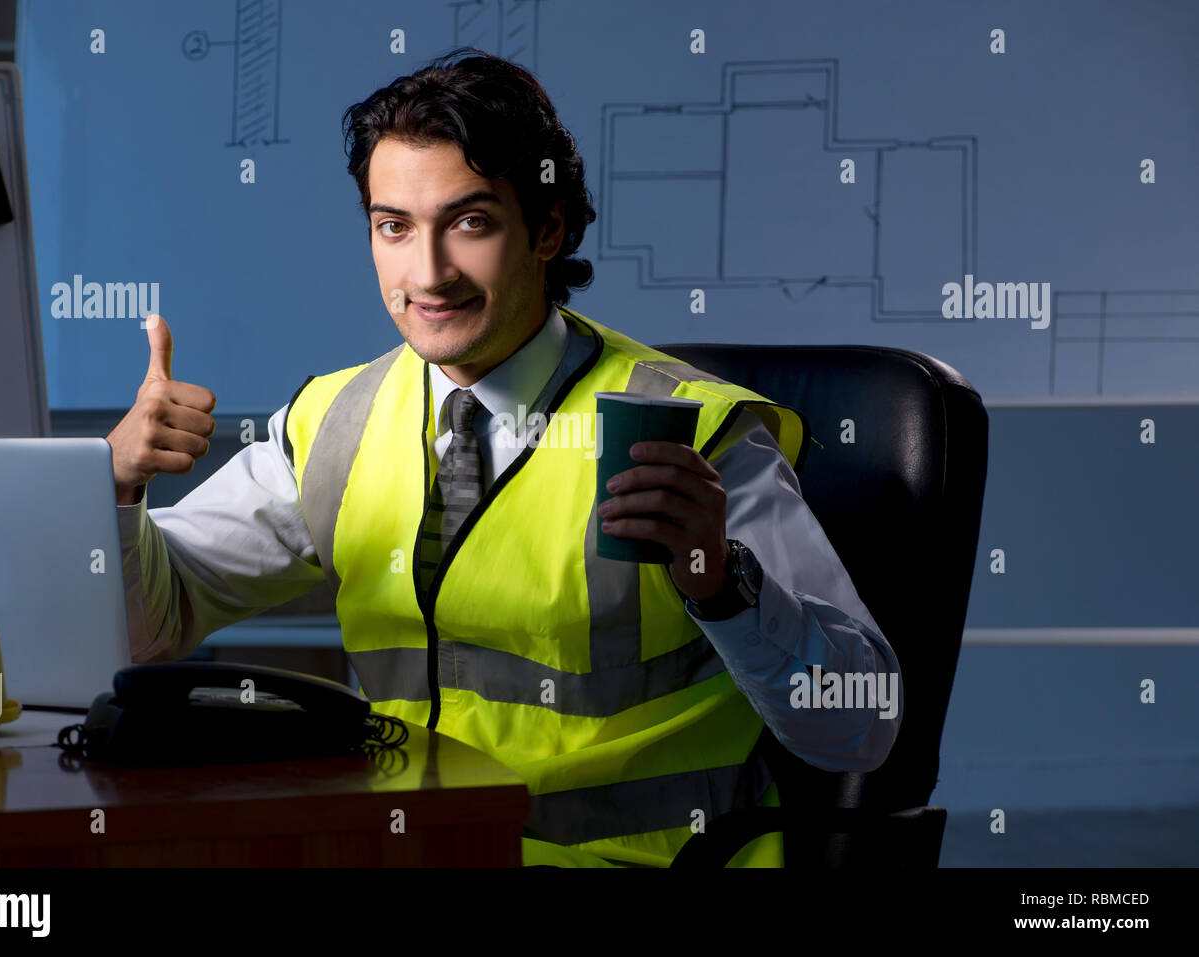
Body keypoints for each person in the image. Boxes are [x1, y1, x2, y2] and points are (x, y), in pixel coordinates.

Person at [105, 48, 902, 868]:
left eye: (471, 222)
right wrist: (118, 489)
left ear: (548, 229)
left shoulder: (693, 433)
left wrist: (722, 581)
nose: (429, 272)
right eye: (394, 227)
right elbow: (149, 628)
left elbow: (860, 729)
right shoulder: (332, 423)